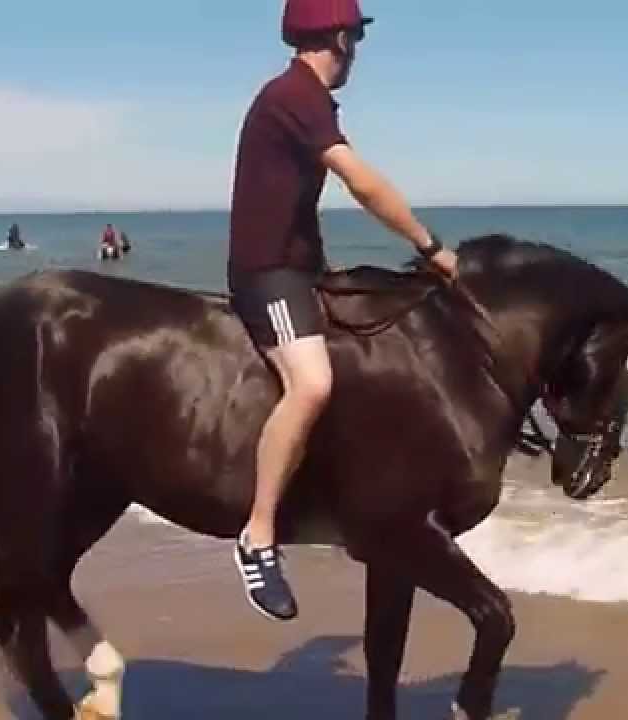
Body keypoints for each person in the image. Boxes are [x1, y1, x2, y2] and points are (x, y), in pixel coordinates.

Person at [226, 0, 458, 621]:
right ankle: (258, 536)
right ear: (339, 37)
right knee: (312, 384)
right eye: (354, 35)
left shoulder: (308, 98)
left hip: (303, 268)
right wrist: (431, 247)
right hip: (266, 272)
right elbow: (364, 184)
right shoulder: (294, 95)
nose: (356, 49)